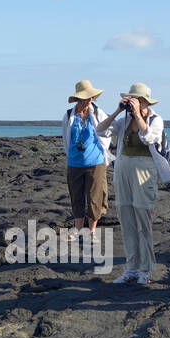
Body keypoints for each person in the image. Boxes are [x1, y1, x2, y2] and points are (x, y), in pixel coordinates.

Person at [96, 83, 170, 284]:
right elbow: (100, 130)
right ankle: (131, 268)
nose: (133, 103)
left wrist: (138, 114)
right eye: (131, 99)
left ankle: (145, 269)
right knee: (126, 219)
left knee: (142, 220)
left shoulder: (156, 119)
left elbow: (149, 137)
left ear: (145, 101)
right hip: (123, 171)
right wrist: (118, 111)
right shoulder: (124, 120)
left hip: (144, 171)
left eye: (136, 99)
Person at [61, 81, 111, 238]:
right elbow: (66, 139)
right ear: (78, 98)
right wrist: (71, 156)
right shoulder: (69, 115)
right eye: (87, 97)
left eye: (91, 97)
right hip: (74, 163)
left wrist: (103, 154)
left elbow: (108, 131)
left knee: (94, 197)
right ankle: (77, 228)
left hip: (95, 162)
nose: (90, 100)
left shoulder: (97, 113)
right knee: (76, 196)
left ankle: (92, 231)